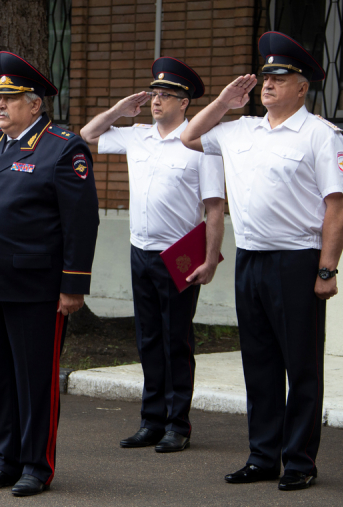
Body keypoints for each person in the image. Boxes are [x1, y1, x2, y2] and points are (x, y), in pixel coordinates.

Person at [180, 31, 343, 491]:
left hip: (297, 262)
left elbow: (339, 206)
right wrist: (223, 101)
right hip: (251, 260)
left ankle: (298, 460)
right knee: (258, 364)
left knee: (301, 366)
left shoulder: (320, 134)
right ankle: (262, 456)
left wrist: (327, 268)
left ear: (303, 86)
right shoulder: (241, 130)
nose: (269, 83)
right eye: (266, 76)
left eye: (281, 76)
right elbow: (188, 136)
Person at [0, 52, 99, 496]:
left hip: (35, 284)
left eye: (11, 98)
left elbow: (81, 224)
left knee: (35, 379)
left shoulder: (62, 148)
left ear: (35, 104)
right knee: (1, 377)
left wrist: (73, 285)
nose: (0, 106)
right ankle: (3, 459)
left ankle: (35, 465)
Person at [80, 58, 225, 453]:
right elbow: (89, 133)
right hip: (141, 250)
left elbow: (214, 207)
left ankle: (178, 424)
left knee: (176, 339)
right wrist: (119, 110)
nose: (157, 101)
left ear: (185, 104)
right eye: (155, 94)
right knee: (147, 339)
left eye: (166, 96)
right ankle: (151, 420)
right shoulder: (137, 134)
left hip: (180, 255)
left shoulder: (200, 145)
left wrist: (211, 259)